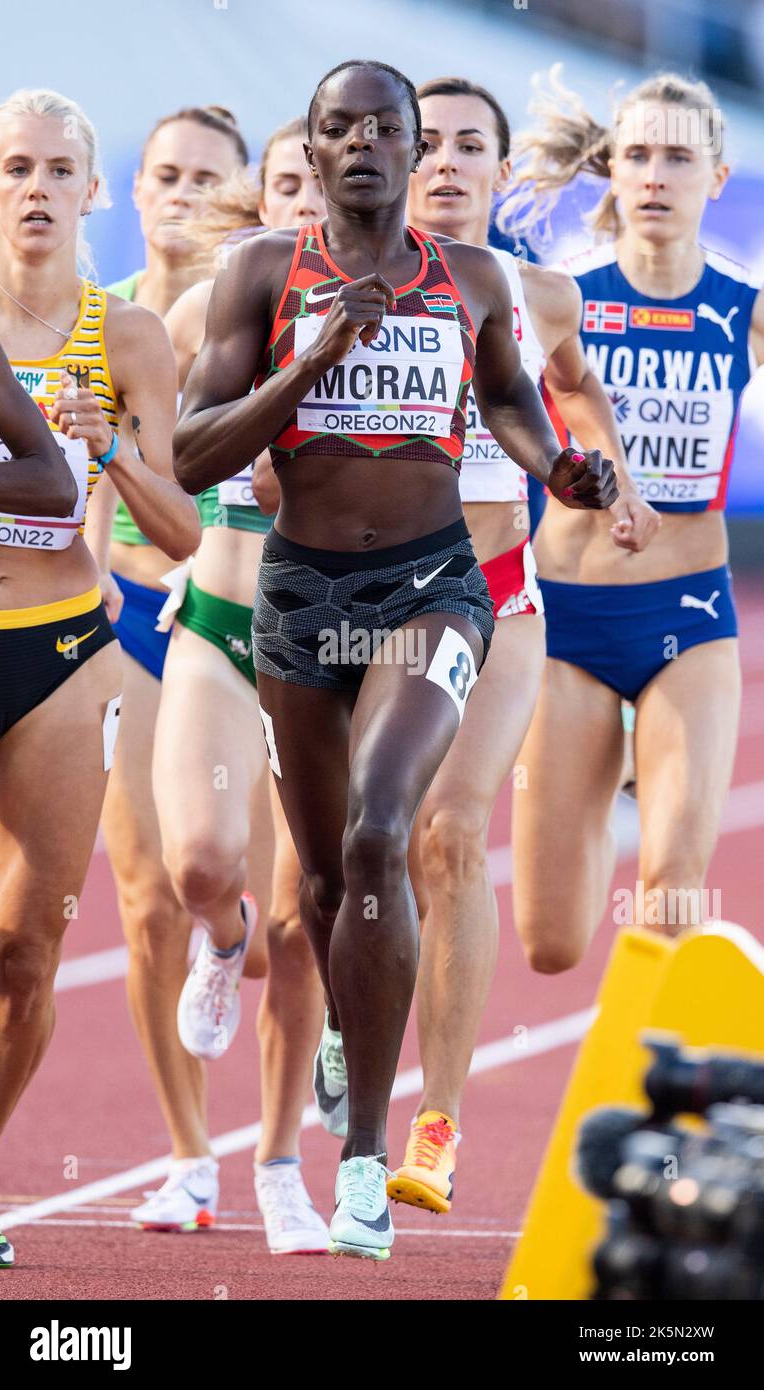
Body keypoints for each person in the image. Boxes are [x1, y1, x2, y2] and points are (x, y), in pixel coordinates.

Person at [173, 59, 617, 1261]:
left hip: (431, 587)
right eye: (338, 128)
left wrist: (562, 467)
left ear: (417, 150)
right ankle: (344, 1033)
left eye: (387, 128)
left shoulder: (466, 276)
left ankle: (365, 1153)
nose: (363, 143)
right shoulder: (259, 273)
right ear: (310, 152)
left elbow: (515, 405)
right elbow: (193, 453)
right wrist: (313, 362)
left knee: (384, 831)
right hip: (299, 595)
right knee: (323, 883)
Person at [379, 76, 659, 1217]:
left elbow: (578, 399)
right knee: (355, 854)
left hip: (497, 599)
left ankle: (436, 1122)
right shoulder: (332, 282)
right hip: (356, 601)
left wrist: (615, 477)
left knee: (448, 834)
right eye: (425, 144)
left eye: (468, 147)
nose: (444, 164)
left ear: (503, 172)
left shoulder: (541, 296)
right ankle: (349, 1017)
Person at [0, 87, 198, 1268]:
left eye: (59, 170)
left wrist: (105, 442)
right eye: (14, 167)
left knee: (22, 953)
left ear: (92, 190)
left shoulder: (128, 339)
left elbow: (177, 535)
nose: (36, 190)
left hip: (64, 645)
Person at [505, 70, 763, 968]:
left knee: (671, 891)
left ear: (717, 179)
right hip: (568, 619)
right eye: (639, 155)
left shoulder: (744, 308)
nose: (655, 175)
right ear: (611, 170)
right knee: (549, 940)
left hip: (689, 615)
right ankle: (609, 768)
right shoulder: (555, 299)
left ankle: (654, 1094)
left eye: (679, 157)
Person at [152, 118, 330, 1253]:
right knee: (200, 865)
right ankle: (218, 948)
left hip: (333, 639)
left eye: (324, 186)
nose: (306, 202)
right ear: (260, 197)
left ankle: (277, 1166)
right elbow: (149, 458)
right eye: (287, 183)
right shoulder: (205, 307)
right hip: (218, 622)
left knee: (307, 915)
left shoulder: (394, 323)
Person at [87, 107, 261, 1234]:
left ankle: (296, 1142)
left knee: (285, 908)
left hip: (253, 618)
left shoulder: (246, 309)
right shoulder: (99, 322)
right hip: (126, 619)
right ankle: (192, 1156)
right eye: (165, 174)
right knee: (147, 898)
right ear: (133, 188)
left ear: (241, 192)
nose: (183, 193)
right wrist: (96, 559)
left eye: (207, 177)